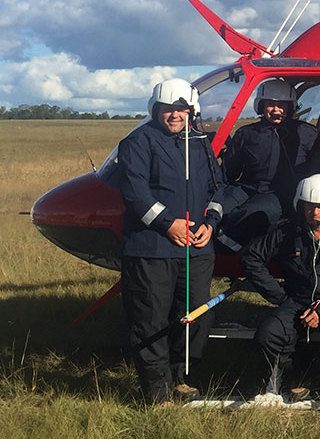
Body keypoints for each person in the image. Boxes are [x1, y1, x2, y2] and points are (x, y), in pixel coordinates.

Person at [115, 78, 222, 404]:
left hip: (197, 249)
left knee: (195, 315)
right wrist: (167, 224)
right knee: (151, 321)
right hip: (152, 249)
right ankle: (155, 390)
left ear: (191, 111)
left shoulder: (201, 143)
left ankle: (181, 377)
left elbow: (220, 189)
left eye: (181, 109)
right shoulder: (137, 143)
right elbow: (135, 192)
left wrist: (211, 223)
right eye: (168, 110)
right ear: (155, 110)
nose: (175, 115)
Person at [241, 173, 320, 402]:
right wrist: (279, 296)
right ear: (300, 205)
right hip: (295, 300)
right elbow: (251, 257)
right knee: (268, 335)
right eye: (309, 206)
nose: (315, 212)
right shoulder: (286, 232)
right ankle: (296, 373)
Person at [215, 79, 320, 250]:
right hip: (246, 188)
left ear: (290, 107)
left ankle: (229, 251)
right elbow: (228, 171)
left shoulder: (306, 134)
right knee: (218, 208)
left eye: (281, 105)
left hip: (281, 194)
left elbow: (318, 170)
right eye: (270, 104)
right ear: (260, 105)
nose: (276, 110)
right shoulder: (246, 133)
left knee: (252, 214)